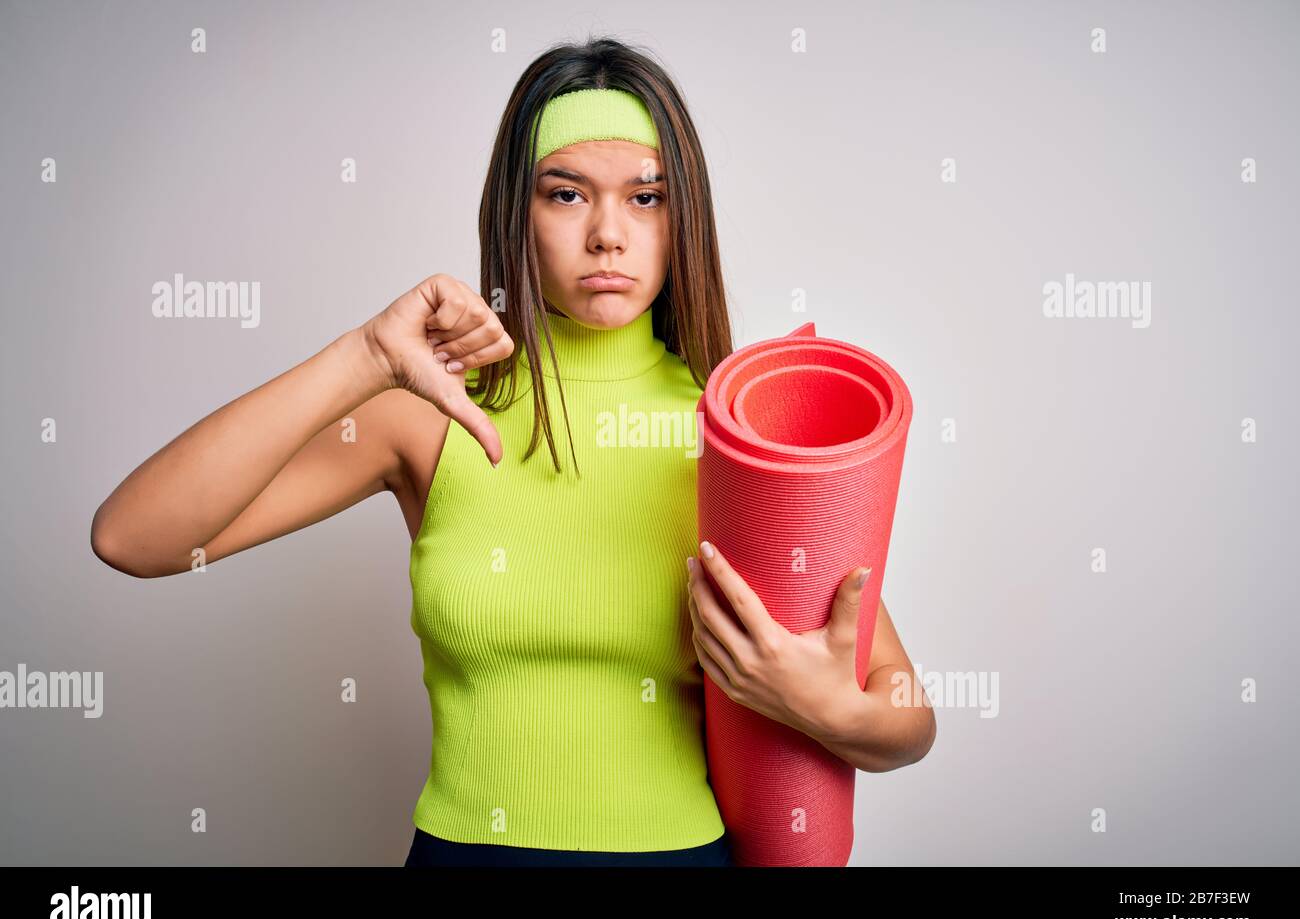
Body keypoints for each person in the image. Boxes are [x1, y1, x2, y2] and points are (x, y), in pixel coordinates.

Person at [90, 36, 934, 867]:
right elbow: (135, 539)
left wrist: (833, 711)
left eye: (648, 198)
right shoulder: (434, 412)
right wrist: (364, 358)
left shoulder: (735, 434)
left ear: (686, 218)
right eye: (566, 195)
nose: (609, 233)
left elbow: (908, 715)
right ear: (516, 211)